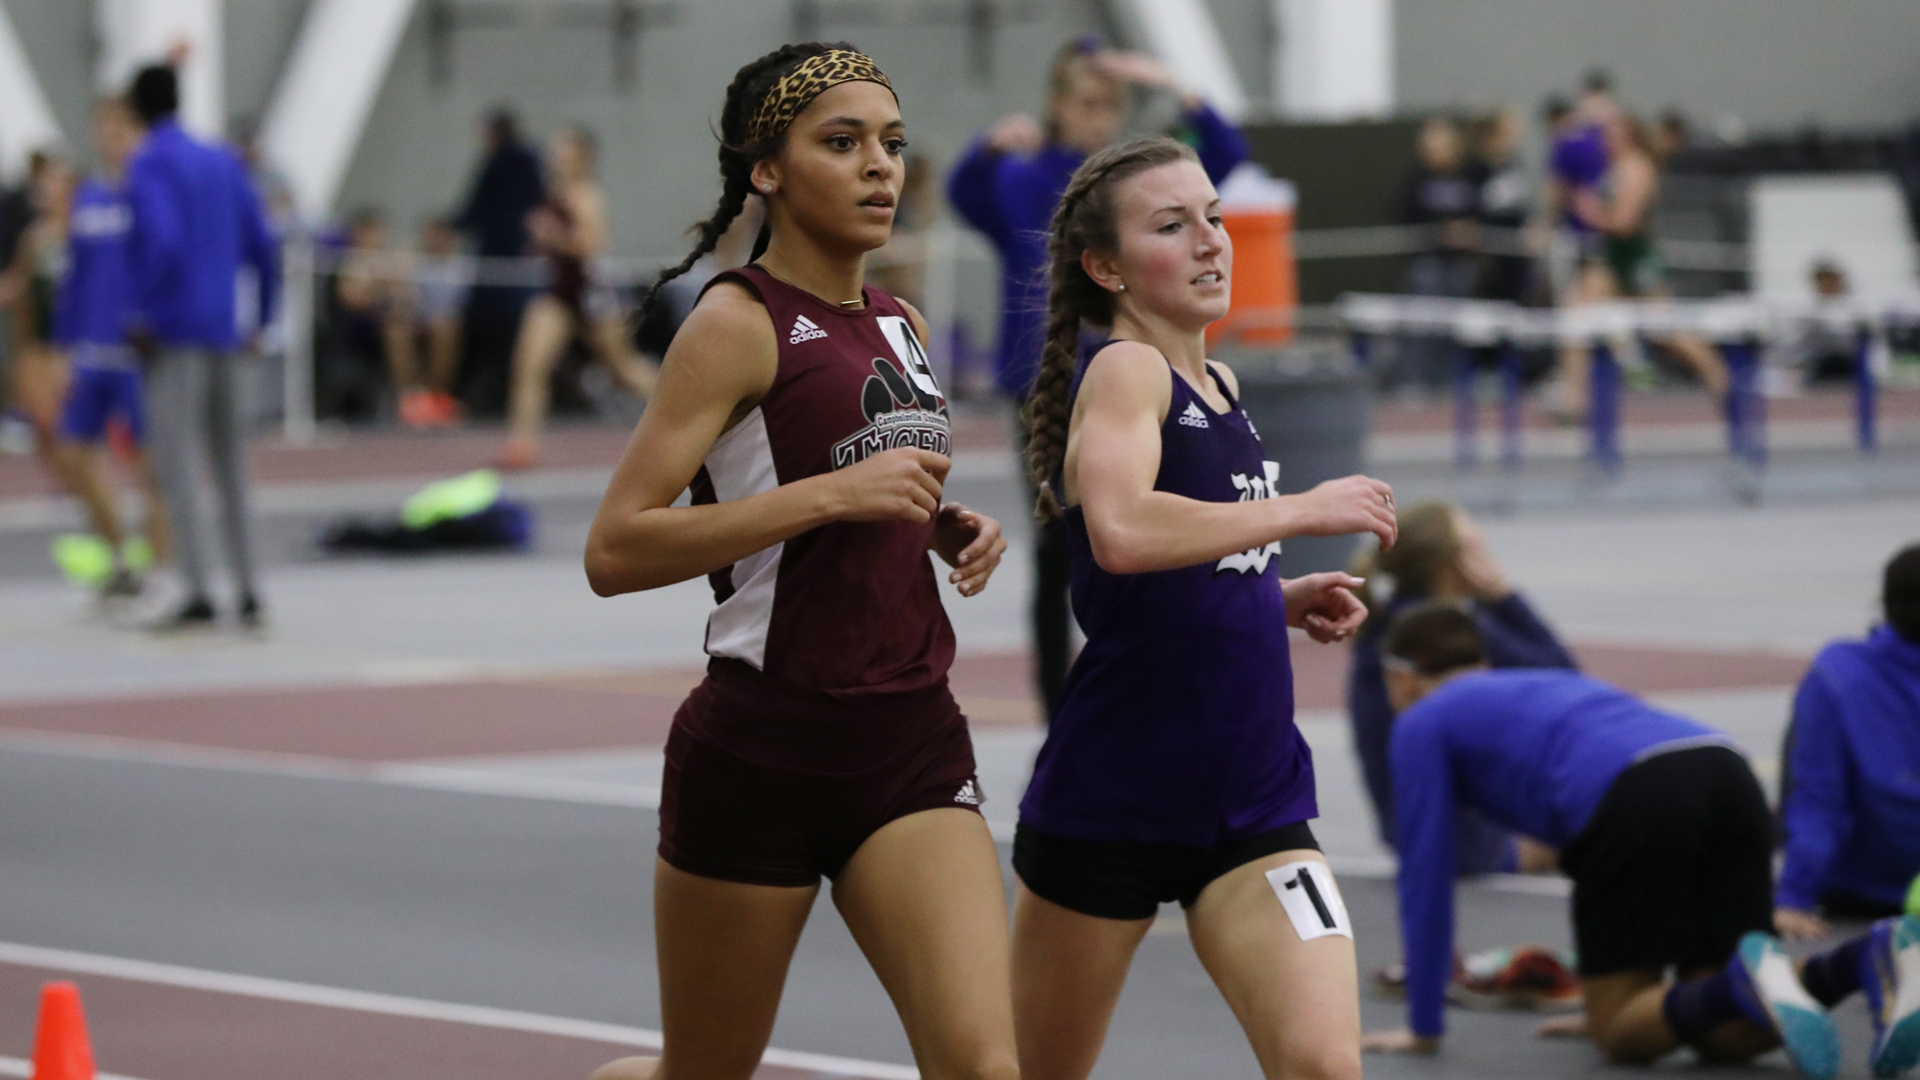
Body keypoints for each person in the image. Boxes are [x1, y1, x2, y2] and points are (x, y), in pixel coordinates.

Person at [579, 43, 1016, 1080]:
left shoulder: (901, 323)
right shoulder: (734, 324)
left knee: (987, 1068)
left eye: (894, 144)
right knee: (704, 1074)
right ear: (766, 169)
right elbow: (615, 547)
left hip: (908, 736)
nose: (881, 167)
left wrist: (937, 520)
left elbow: (853, 473)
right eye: (843, 142)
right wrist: (834, 499)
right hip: (762, 750)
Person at [1008, 135, 1398, 1080]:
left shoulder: (1219, 384)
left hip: (1253, 804)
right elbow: (1123, 532)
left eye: (1214, 218)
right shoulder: (1125, 372)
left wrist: (1274, 593)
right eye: (1172, 226)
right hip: (1113, 806)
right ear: (1107, 267)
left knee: (1324, 1066)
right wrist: (1300, 509)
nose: (1211, 242)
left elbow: (1193, 556)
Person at [1362, 603, 1920, 1080]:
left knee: (1620, 1033)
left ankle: (1712, 989)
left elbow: (1426, 873)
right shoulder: (1541, 684)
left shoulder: (1422, 721)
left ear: (1399, 678)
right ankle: (1864, 958)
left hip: (1639, 795)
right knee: (1727, 1035)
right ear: (1482, 664)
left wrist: (1423, 1023)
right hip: (1725, 770)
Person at [948, 35, 1249, 722]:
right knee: (1062, 553)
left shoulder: (1132, 186)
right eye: (1087, 103)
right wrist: (990, 145)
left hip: (1139, 377)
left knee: (1158, 534)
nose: (1100, 117)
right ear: (1057, 104)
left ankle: (1149, 686)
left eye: (1111, 103)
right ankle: (1061, 710)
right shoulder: (1026, 178)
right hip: (1047, 379)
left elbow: (1226, 156)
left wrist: (1171, 83)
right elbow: (967, 194)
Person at [123, 64, 280, 630]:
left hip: (173, 332)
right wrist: (261, 316)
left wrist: (139, 309)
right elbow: (263, 244)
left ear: (137, 109)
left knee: (180, 464)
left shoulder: (149, 162)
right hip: (226, 331)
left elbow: (161, 239)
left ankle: (196, 587)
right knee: (233, 463)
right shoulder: (222, 161)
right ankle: (248, 585)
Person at [1346, 501, 1574, 873]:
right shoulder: (1446, 630)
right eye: (1470, 542)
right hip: (1465, 842)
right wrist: (1506, 598)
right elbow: (1564, 680)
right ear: (1446, 570)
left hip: (1425, 832)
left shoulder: (1393, 622)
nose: (1483, 541)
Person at [46, 99, 171, 599]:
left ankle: (162, 571)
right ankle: (120, 553)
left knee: (149, 465)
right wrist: (63, 345)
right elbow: (76, 277)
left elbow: (168, 260)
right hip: (92, 350)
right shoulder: (91, 198)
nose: (110, 138)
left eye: (120, 127)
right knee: (73, 455)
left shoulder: (152, 193)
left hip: (138, 353)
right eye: (103, 128)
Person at [1775, 543, 1920, 938]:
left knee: (1814, 733)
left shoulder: (1838, 672)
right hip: (1884, 892)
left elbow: (1820, 799)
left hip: (1864, 892)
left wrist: (1793, 896)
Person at [495, 127, 657, 469]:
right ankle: (522, 445)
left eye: (562, 149)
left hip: (591, 292)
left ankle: (692, 410)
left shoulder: (586, 195)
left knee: (623, 368)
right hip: (559, 293)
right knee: (529, 363)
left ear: (581, 156)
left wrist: (551, 235)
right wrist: (540, 241)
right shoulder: (556, 192)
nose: (554, 155)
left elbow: (591, 246)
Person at [1560, 112, 1727, 414]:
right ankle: (1574, 400)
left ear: (1629, 135)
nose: (1606, 141)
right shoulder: (1611, 167)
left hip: (1636, 259)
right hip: (1611, 258)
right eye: (1604, 135)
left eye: (1613, 134)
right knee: (1576, 314)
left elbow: (1625, 224)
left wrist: (1591, 213)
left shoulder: (1637, 168)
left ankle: (1720, 379)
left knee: (1665, 331)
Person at [452, 108, 544, 413]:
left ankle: (487, 395)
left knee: (496, 329)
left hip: (504, 261)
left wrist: (451, 226)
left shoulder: (499, 162)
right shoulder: (530, 161)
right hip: (518, 262)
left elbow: (478, 208)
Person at [1397, 116, 1481, 391]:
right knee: (1422, 321)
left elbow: (1480, 211)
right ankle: (1415, 379)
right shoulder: (1416, 178)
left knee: (1457, 325)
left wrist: (1468, 230)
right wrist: (1439, 231)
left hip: (1459, 263)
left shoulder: (1467, 175)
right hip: (1428, 260)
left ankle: (1450, 380)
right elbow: (1404, 214)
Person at [401, 216, 469, 425]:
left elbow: (465, 304)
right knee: (396, 331)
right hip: (419, 323)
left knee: (444, 330)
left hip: (451, 325)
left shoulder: (463, 267)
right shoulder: (416, 264)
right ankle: (412, 396)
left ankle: (436, 396)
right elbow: (407, 300)